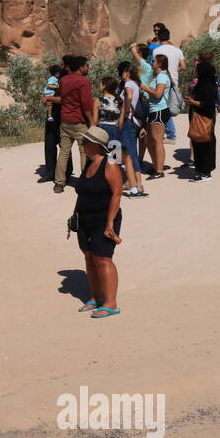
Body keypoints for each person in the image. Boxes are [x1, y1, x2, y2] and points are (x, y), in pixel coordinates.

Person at [70, 127, 123, 317]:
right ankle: (95, 297)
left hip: (104, 218)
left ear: (96, 145)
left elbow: (117, 193)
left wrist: (110, 223)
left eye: (85, 142)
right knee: (89, 257)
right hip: (85, 218)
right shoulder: (88, 164)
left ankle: (110, 303)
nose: (82, 145)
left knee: (103, 258)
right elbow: (81, 193)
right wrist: (74, 217)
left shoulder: (110, 163)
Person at [51, 55, 92, 193]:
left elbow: (63, 98)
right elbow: (86, 104)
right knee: (84, 152)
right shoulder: (83, 81)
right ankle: (85, 182)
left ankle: (59, 183)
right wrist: (92, 122)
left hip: (65, 121)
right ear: (80, 67)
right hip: (79, 121)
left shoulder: (63, 80)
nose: (88, 68)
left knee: (64, 152)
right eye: (87, 65)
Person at [138, 53, 172, 179]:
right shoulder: (157, 76)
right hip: (153, 110)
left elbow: (158, 94)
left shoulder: (162, 77)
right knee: (150, 140)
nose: (152, 63)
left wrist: (145, 88)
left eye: (154, 61)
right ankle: (156, 166)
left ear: (159, 64)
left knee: (157, 141)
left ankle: (159, 170)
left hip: (159, 110)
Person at [185, 58, 219, 182]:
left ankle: (206, 172)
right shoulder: (201, 84)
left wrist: (193, 102)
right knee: (197, 143)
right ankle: (199, 171)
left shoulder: (209, 86)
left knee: (205, 144)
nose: (196, 72)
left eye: (198, 70)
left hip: (205, 119)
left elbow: (208, 104)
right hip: (197, 117)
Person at [116, 61, 147, 198]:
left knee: (130, 152)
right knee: (129, 151)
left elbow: (128, 97)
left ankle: (138, 184)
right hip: (135, 122)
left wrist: (124, 113)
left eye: (122, 72)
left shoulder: (128, 84)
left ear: (126, 72)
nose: (121, 75)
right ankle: (132, 181)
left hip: (128, 121)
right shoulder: (136, 84)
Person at [151, 25, 186, 142]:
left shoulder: (156, 51)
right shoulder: (178, 50)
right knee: (167, 106)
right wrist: (174, 71)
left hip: (160, 79)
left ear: (159, 38)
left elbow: (154, 67)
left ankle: (170, 134)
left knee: (161, 106)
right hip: (173, 80)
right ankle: (168, 133)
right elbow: (183, 66)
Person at [40, 65, 70, 183]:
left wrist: (48, 99)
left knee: (65, 146)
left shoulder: (66, 83)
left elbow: (64, 99)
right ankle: (50, 172)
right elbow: (47, 96)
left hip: (62, 118)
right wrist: (45, 100)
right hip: (52, 118)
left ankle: (66, 173)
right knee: (50, 145)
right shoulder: (55, 82)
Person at [97, 77, 121, 143]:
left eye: (100, 84)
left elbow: (94, 121)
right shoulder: (119, 101)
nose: (99, 86)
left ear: (105, 86)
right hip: (115, 130)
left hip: (102, 130)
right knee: (115, 153)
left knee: (102, 152)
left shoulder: (98, 101)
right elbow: (120, 122)